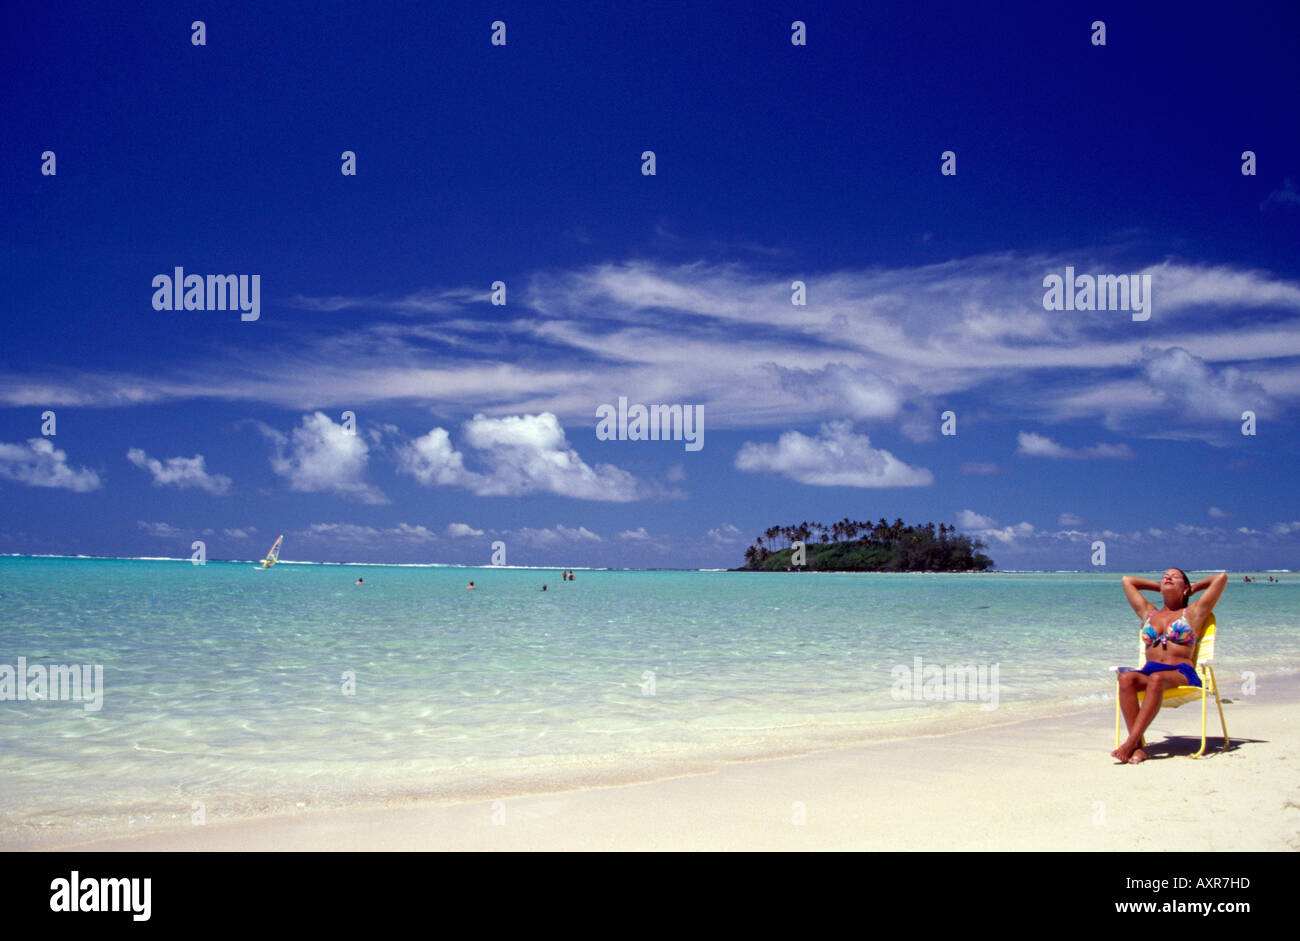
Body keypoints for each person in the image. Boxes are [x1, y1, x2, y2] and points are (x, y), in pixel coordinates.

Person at [1113, 568, 1227, 764]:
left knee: (1157, 679)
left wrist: (1195, 587)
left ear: (1185, 588)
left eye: (1175, 577)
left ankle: (1130, 743)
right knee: (1126, 679)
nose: (1168, 577)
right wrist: (1161, 588)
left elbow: (1221, 578)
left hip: (1181, 672)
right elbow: (1127, 580)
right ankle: (1139, 748)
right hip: (1150, 671)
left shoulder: (1194, 612)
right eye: (1165, 576)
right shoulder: (1148, 613)